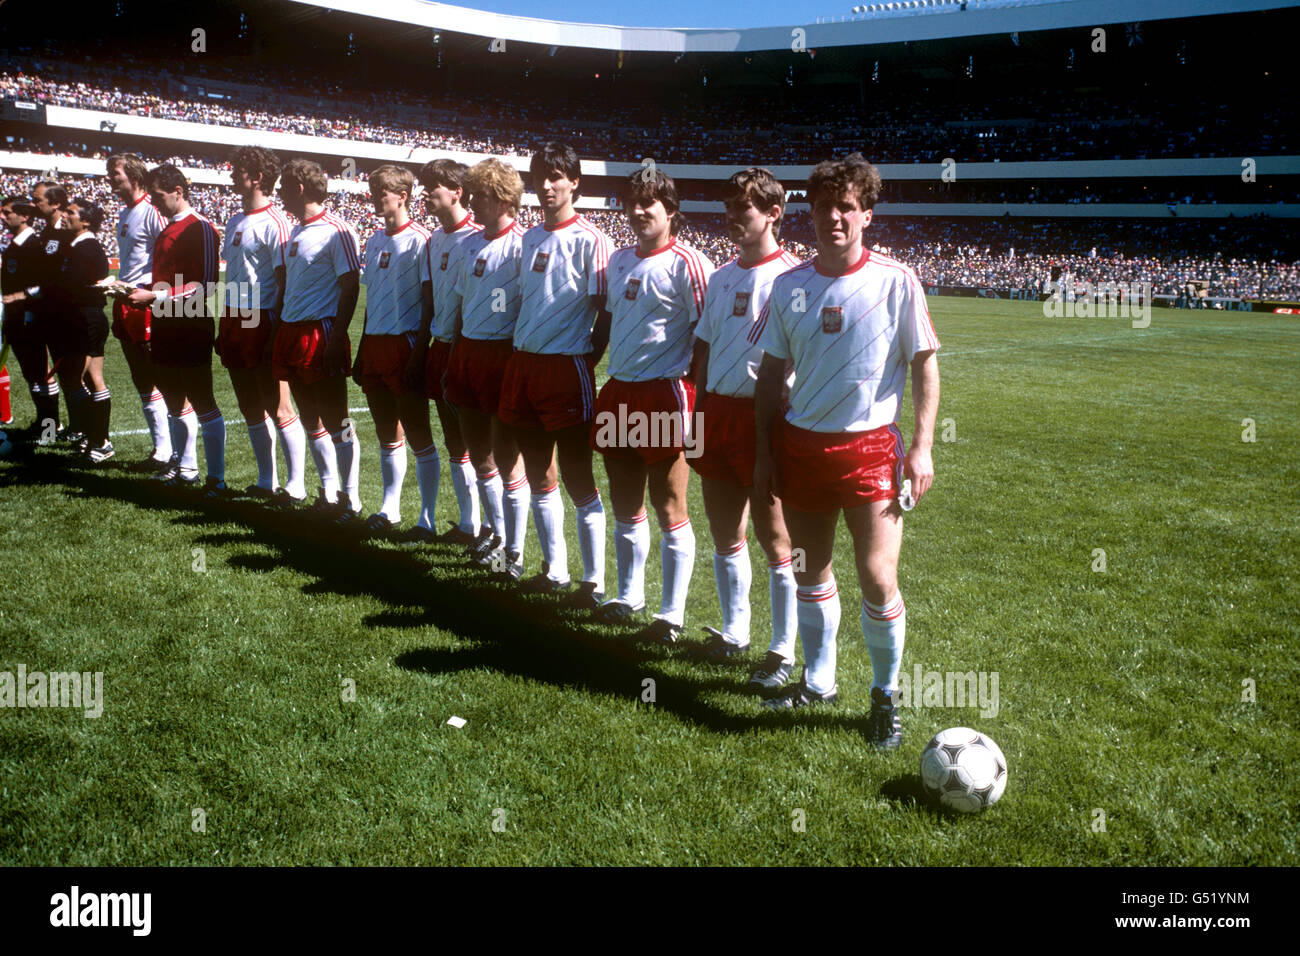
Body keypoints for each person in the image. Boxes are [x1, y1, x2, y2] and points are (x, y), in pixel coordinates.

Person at [753, 153, 940, 751]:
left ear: (867, 214)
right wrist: (764, 452)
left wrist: (923, 447)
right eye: (823, 206)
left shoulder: (894, 279)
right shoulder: (790, 285)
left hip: (869, 449)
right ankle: (820, 680)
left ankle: (885, 696)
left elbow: (924, 363)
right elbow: (770, 375)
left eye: (846, 207)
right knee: (811, 571)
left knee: (877, 576)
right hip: (801, 445)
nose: (832, 217)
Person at [590, 167, 714, 643]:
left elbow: (707, 334)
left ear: (671, 212)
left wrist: (694, 391)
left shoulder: (688, 263)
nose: (639, 211)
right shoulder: (618, 261)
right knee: (625, 502)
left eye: (650, 204)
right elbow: (606, 323)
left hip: (665, 393)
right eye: (633, 203)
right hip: (619, 389)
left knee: (669, 505)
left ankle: (671, 615)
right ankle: (627, 595)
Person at [689, 168, 802, 683]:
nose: (733, 219)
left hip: (769, 418)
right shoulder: (722, 275)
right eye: (729, 210)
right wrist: (696, 414)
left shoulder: (795, 278)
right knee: (723, 530)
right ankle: (735, 632)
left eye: (745, 210)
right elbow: (705, 347)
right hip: (717, 413)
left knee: (775, 534)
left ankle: (782, 650)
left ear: (774, 213)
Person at [498, 143, 614, 602]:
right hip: (524, 364)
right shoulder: (528, 238)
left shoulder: (592, 240)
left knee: (577, 475)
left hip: (568, 368)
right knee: (538, 472)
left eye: (557, 176)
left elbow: (604, 311)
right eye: (540, 177)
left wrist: (587, 357)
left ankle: (595, 580)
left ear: (575, 182)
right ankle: (555, 569)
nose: (546, 186)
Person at [440, 158, 528, 575]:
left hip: (502, 355)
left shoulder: (523, 246)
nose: (473, 200)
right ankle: (493, 532)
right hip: (468, 353)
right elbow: (461, 305)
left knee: (508, 457)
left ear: (504, 198)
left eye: (481, 194)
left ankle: (516, 548)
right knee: (479, 454)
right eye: (472, 192)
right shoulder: (468, 244)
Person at [125, 164, 226, 492]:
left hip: (191, 323)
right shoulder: (166, 229)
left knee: (202, 398)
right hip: (164, 322)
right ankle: (186, 469)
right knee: (172, 398)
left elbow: (208, 285)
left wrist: (154, 295)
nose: (154, 202)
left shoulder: (202, 228)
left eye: (158, 195)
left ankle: (217, 479)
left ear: (178, 192)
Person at [272, 158, 362, 516]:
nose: (279, 193)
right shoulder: (294, 232)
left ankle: (351, 497)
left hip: (319, 331)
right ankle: (327, 493)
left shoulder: (336, 230)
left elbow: (350, 286)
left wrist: (337, 338)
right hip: (291, 330)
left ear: (297, 188)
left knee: (336, 417)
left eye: (282, 187)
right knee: (310, 417)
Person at [217, 145, 307, 502]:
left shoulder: (276, 223)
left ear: (256, 176)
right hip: (233, 316)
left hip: (262, 317)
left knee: (278, 404)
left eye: (237, 169)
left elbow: (285, 281)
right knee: (248, 404)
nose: (230, 174)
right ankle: (265, 479)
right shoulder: (234, 221)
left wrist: (278, 330)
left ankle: (296, 484)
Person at [352, 164, 436, 535]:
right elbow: (371, 299)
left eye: (380, 194)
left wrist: (419, 352)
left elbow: (429, 301)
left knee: (418, 433)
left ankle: (427, 518)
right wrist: (362, 346)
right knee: (387, 431)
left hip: (405, 343)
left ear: (402, 196)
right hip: (375, 344)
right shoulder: (374, 239)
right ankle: (389, 510)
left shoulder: (421, 240)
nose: (374, 199)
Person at [410, 159, 482, 545]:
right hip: (439, 347)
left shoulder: (478, 236)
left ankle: (494, 530)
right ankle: (469, 524)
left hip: (468, 350)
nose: (425, 193)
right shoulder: (434, 239)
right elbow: (430, 302)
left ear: (457, 190)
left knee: (481, 443)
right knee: (454, 439)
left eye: (433, 186)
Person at [105, 153, 171, 471]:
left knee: (158, 374)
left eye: (114, 172)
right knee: (140, 378)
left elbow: (169, 256)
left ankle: (171, 453)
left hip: (146, 304)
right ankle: (160, 450)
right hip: (124, 301)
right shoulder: (123, 213)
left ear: (133, 176)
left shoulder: (152, 212)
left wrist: (156, 294)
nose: (109, 177)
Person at [48, 198, 113, 461]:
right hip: (79, 318)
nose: (64, 215)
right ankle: (93, 437)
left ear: (85, 220)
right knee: (83, 379)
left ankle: (100, 440)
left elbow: (77, 286)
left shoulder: (87, 247)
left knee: (85, 379)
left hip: (86, 318)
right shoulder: (75, 246)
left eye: (70, 212)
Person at [0, 196, 54, 437]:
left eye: (7, 212)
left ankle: (51, 429)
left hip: (30, 317)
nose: (2, 216)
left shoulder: (34, 245)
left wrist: (19, 297)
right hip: (14, 318)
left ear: (25, 216)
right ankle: (43, 423)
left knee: (42, 374)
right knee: (30, 373)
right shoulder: (15, 244)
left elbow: (46, 284)